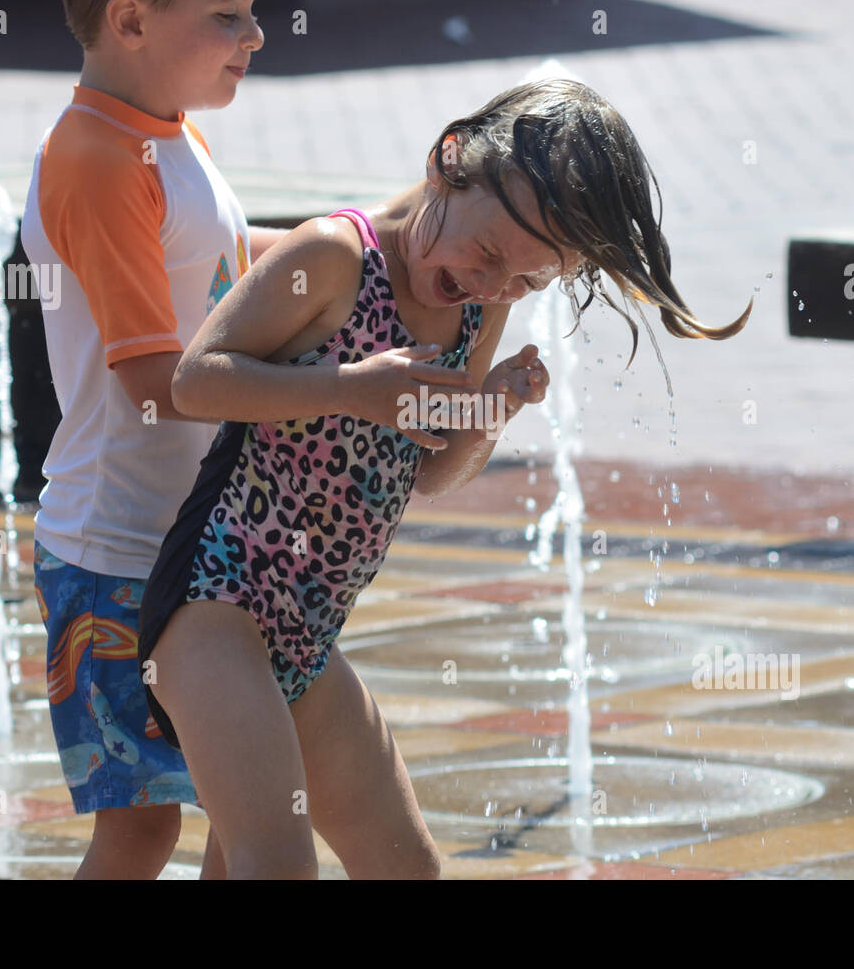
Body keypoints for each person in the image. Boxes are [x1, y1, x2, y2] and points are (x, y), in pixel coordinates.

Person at [137, 77, 752, 879]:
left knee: (406, 871)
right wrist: (351, 387)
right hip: (214, 606)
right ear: (447, 162)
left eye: (528, 283)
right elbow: (196, 381)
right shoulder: (332, 256)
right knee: (278, 863)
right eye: (492, 254)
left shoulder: (475, 306)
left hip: (308, 639)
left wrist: (488, 411)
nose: (495, 286)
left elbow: (430, 471)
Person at [21, 0, 283, 880]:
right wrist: (332, 392)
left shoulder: (166, 133)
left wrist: (374, 246)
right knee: (140, 831)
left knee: (243, 810)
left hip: (192, 546)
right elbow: (152, 381)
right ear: (130, 23)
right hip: (117, 555)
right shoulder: (95, 157)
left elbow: (233, 269)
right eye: (229, 12)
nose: (255, 34)